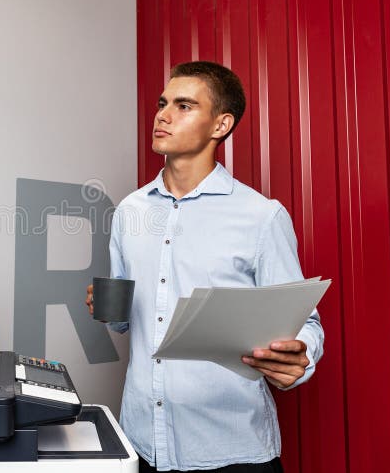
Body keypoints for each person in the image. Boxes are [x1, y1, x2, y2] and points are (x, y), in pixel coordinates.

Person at [85, 61, 323, 472]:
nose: (163, 115)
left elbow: (305, 323)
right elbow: (124, 321)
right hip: (143, 443)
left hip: (231, 449)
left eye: (184, 105)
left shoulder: (261, 216)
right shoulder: (129, 211)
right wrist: (109, 311)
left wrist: (301, 356)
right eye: (163, 103)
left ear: (220, 125)